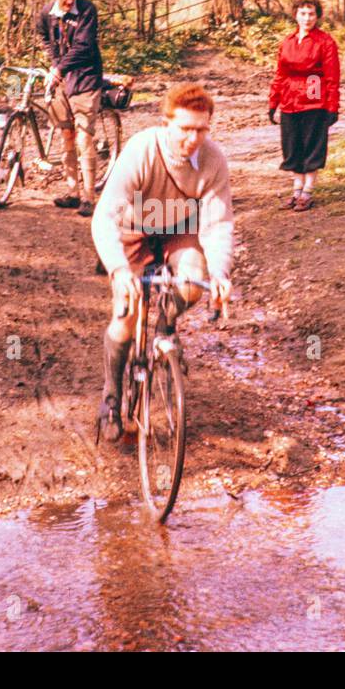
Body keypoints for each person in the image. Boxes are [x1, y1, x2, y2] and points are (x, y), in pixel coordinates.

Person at [90, 82, 235, 441]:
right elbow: (104, 216)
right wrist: (119, 269)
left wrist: (220, 272)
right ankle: (111, 397)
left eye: (201, 128)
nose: (193, 137)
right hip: (133, 230)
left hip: (178, 231)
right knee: (126, 316)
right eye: (185, 128)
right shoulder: (141, 150)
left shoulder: (214, 160)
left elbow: (217, 223)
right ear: (166, 123)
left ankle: (165, 327)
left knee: (194, 281)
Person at [35, 0, 105, 216]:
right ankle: (73, 192)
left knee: (83, 139)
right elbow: (45, 38)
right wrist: (55, 63)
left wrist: (58, 68)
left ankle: (88, 197)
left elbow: (84, 46)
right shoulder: (46, 14)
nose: (70, 0)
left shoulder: (87, 11)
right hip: (63, 81)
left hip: (85, 78)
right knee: (66, 134)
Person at [268, 0, 340, 211]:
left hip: (314, 96)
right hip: (290, 99)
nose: (307, 18)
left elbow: (332, 77)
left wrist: (332, 107)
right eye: (303, 13)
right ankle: (296, 189)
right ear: (295, 15)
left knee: (311, 144)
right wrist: (274, 102)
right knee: (292, 145)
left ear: (317, 16)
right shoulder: (288, 42)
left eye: (311, 14)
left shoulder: (325, 41)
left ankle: (307, 191)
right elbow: (280, 74)